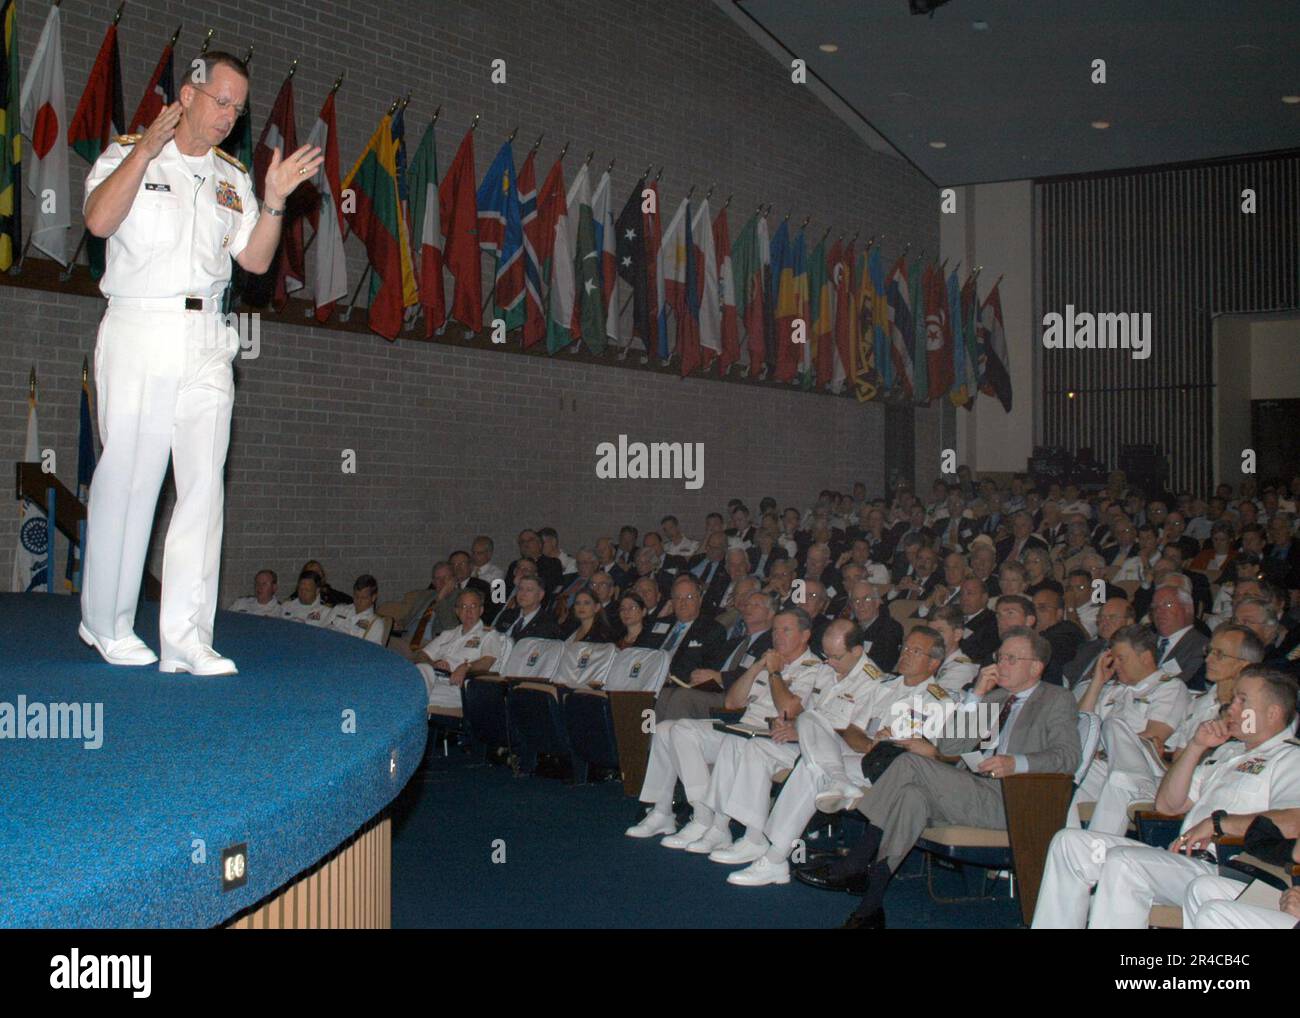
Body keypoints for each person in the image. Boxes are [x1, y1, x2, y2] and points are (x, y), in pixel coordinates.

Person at [77, 51, 323, 675]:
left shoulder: (232, 177)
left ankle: (186, 637)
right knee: (130, 478)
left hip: (208, 334)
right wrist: (144, 152)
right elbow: (99, 220)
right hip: (140, 324)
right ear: (187, 95)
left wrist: (273, 200)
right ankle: (105, 623)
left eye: (238, 109)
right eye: (220, 101)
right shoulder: (129, 151)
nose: (228, 117)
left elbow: (257, 263)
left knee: (202, 490)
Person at [796, 626, 1081, 929]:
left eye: (1011, 658)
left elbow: (1068, 757)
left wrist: (1017, 762)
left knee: (910, 763)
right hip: (972, 790)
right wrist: (977, 696)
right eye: (1000, 656)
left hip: (1012, 799)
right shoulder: (995, 699)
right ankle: (870, 908)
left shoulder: (1055, 699)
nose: (1000, 664)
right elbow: (951, 747)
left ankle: (854, 863)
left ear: (1036, 667)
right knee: (911, 798)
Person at [1032, 666, 1300, 929]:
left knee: (1125, 863)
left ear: (1273, 713)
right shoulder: (1226, 754)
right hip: (1180, 861)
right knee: (1071, 844)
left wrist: (1219, 823)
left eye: (1243, 701)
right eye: (1234, 699)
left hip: (1224, 868)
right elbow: (1168, 805)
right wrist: (1196, 747)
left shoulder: (1289, 758)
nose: (1231, 707)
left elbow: (1293, 822)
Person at [624, 608, 830, 849]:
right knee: (668, 729)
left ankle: (711, 823)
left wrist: (774, 672)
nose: (777, 636)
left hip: (771, 737)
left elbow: (789, 709)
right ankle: (664, 811)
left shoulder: (814, 668)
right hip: (742, 727)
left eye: (786, 630)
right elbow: (732, 703)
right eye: (775, 630)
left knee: (718, 736)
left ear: (805, 635)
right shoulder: (769, 661)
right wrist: (756, 668)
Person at [417, 589, 507, 711]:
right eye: (463, 606)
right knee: (421, 671)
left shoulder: (489, 635)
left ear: (481, 610)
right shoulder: (448, 634)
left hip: (460, 688)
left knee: (415, 697)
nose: (468, 611)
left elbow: (487, 661)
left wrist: (466, 667)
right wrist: (435, 664)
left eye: (473, 606)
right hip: (435, 680)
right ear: (457, 611)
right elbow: (421, 655)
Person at [323, 574, 387, 643]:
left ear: (373, 597)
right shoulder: (339, 609)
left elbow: (369, 651)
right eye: (356, 596)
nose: (358, 601)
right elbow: (321, 631)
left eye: (363, 598)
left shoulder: (376, 624)